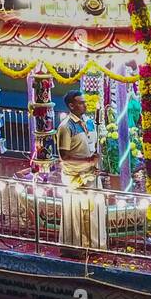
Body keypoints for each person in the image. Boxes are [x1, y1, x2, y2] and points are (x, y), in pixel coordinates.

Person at [57, 90, 104, 250]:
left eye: (85, 101)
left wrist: (94, 161)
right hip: (75, 178)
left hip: (91, 175)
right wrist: (88, 161)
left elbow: (93, 145)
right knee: (76, 215)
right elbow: (64, 156)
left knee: (94, 214)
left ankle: (95, 246)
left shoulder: (90, 122)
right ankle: (75, 248)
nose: (85, 104)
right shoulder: (65, 127)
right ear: (71, 105)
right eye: (81, 102)